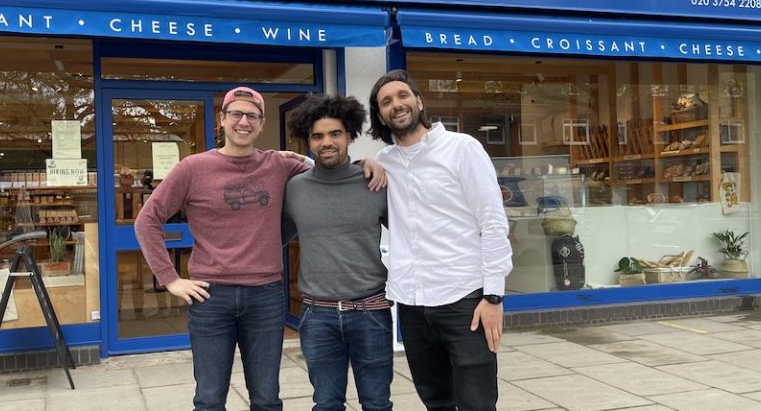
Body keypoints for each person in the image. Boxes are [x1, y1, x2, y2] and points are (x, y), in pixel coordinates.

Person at [135, 87, 383, 411]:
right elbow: (147, 220)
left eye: (252, 116)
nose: (243, 121)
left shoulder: (278, 165)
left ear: (261, 123)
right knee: (209, 399)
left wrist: (368, 163)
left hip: (265, 297)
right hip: (211, 298)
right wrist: (170, 279)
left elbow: (328, 170)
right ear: (222, 120)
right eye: (236, 114)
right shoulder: (192, 168)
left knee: (266, 399)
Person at [368, 70, 513, 411]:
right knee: (436, 401)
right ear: (380, 115)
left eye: (402, 96)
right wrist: (299, 160)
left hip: (464, 300)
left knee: (477, 403)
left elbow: (492, 222)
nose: (396, 105)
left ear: (419, 101)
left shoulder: (462, 149)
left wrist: (493, 295)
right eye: (386, 102)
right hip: (412, 304)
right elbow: (339, 173)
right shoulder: (384, 163)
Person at [281, 95, 391, 411]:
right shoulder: (295, 188)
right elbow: (271, 238)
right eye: (317, 136)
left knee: (377, 404)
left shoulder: (375, 182)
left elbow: (412, 236)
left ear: (350, 135)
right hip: (318, 316)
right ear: (308, 140)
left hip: (370, 311)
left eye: (335, 134)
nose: (326, 142)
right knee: (326, 404)